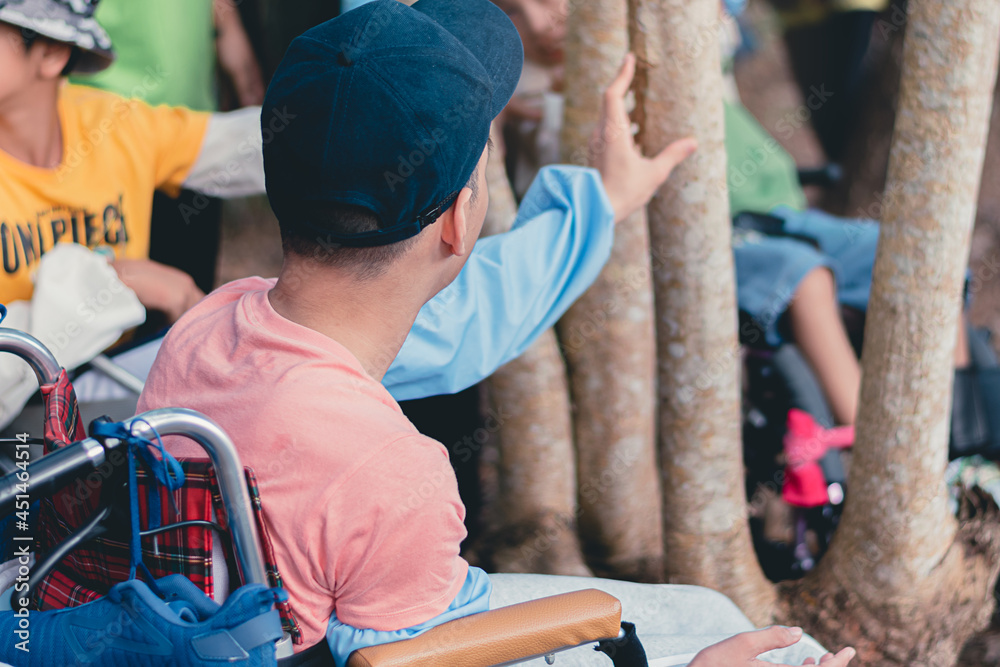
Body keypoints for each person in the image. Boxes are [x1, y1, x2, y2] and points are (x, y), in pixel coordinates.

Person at [138, 1, 854, 665]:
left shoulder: (212, 328)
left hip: (237, 628)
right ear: (458, 219)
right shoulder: (390, 474)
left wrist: (598, 202)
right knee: (769, 647)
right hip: (384, 631)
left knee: (713, 610)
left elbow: (458, 326)